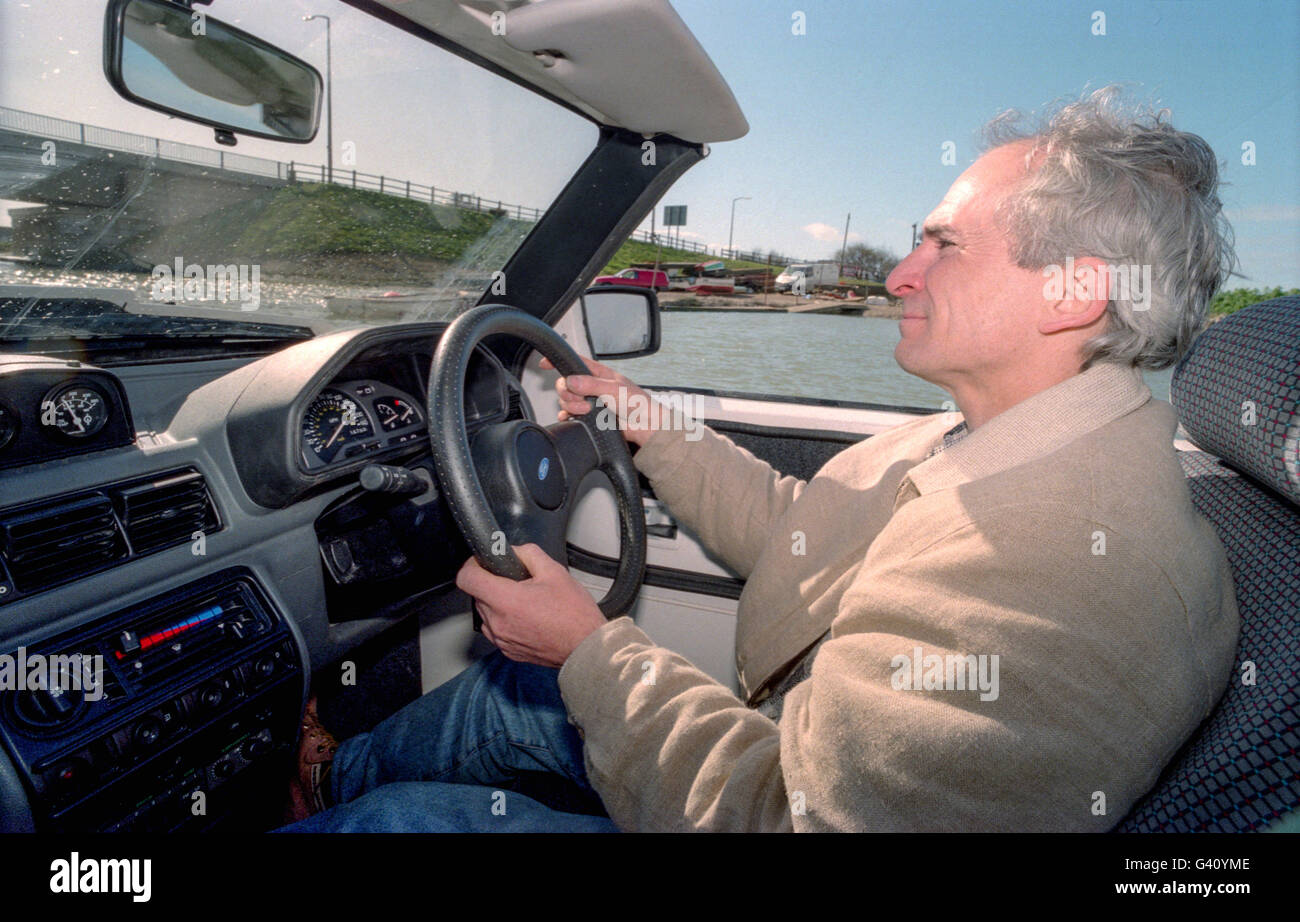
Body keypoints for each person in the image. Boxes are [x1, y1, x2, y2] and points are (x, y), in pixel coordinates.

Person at [279, 86, 1239, 833]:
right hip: (782, 746)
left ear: (1073, 294)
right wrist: (651, 424)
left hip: (772, 797)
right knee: (514, 700)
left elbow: (787, 817)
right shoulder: (993, 430)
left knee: (403, 825)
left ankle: (348, 802)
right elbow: (802, 536)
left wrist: (587, 649)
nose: (901, 273)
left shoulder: (1057, 567)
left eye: (944, 244)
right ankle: (322, 776)